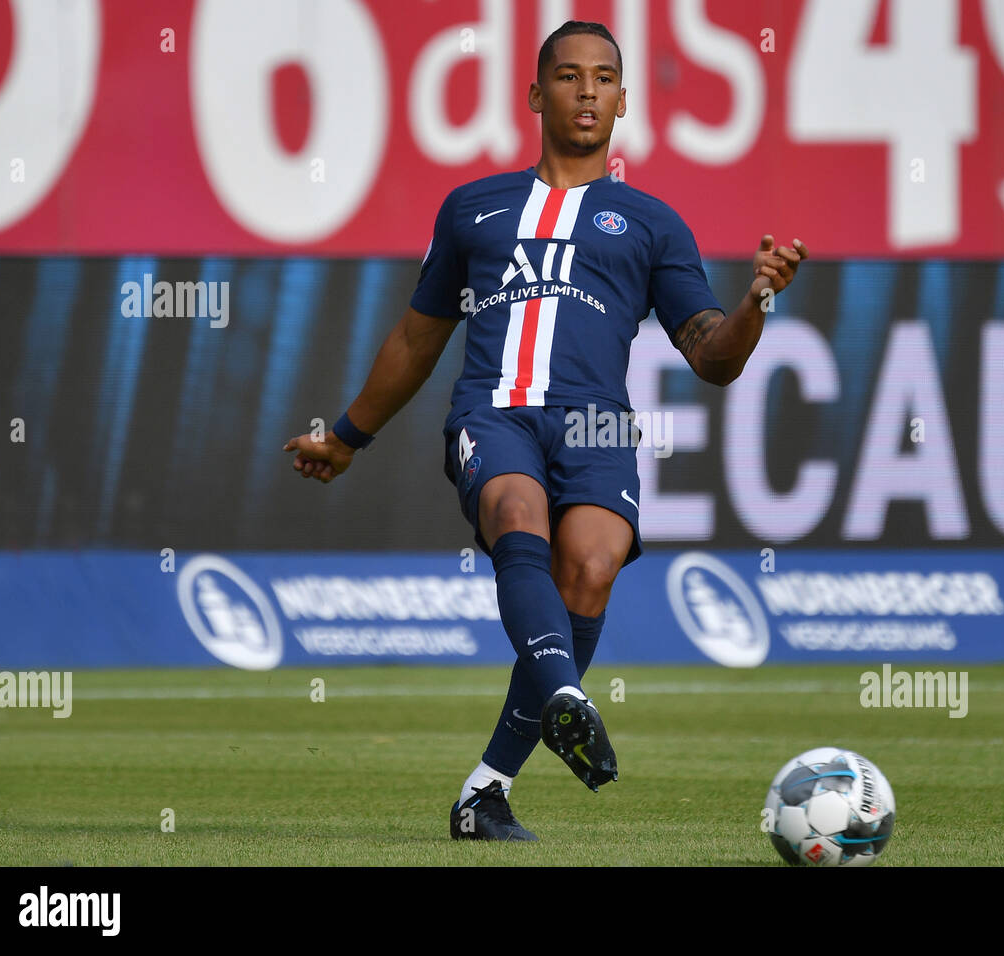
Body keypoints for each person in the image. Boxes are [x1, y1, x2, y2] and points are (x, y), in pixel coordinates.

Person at [283, 19, 807, 841]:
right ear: (535, 95)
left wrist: (757, 301)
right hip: (493, 411)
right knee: (515, 512)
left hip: (595, 425)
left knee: (591, 569)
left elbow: (713, 357)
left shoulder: (653, 223)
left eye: (604, 77)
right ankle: (565, 693)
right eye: (568, 76)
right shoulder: (473, 209)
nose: (587, 90)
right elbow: (418, 338)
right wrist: (347, 437)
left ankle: (484, 794)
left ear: (624, 100)